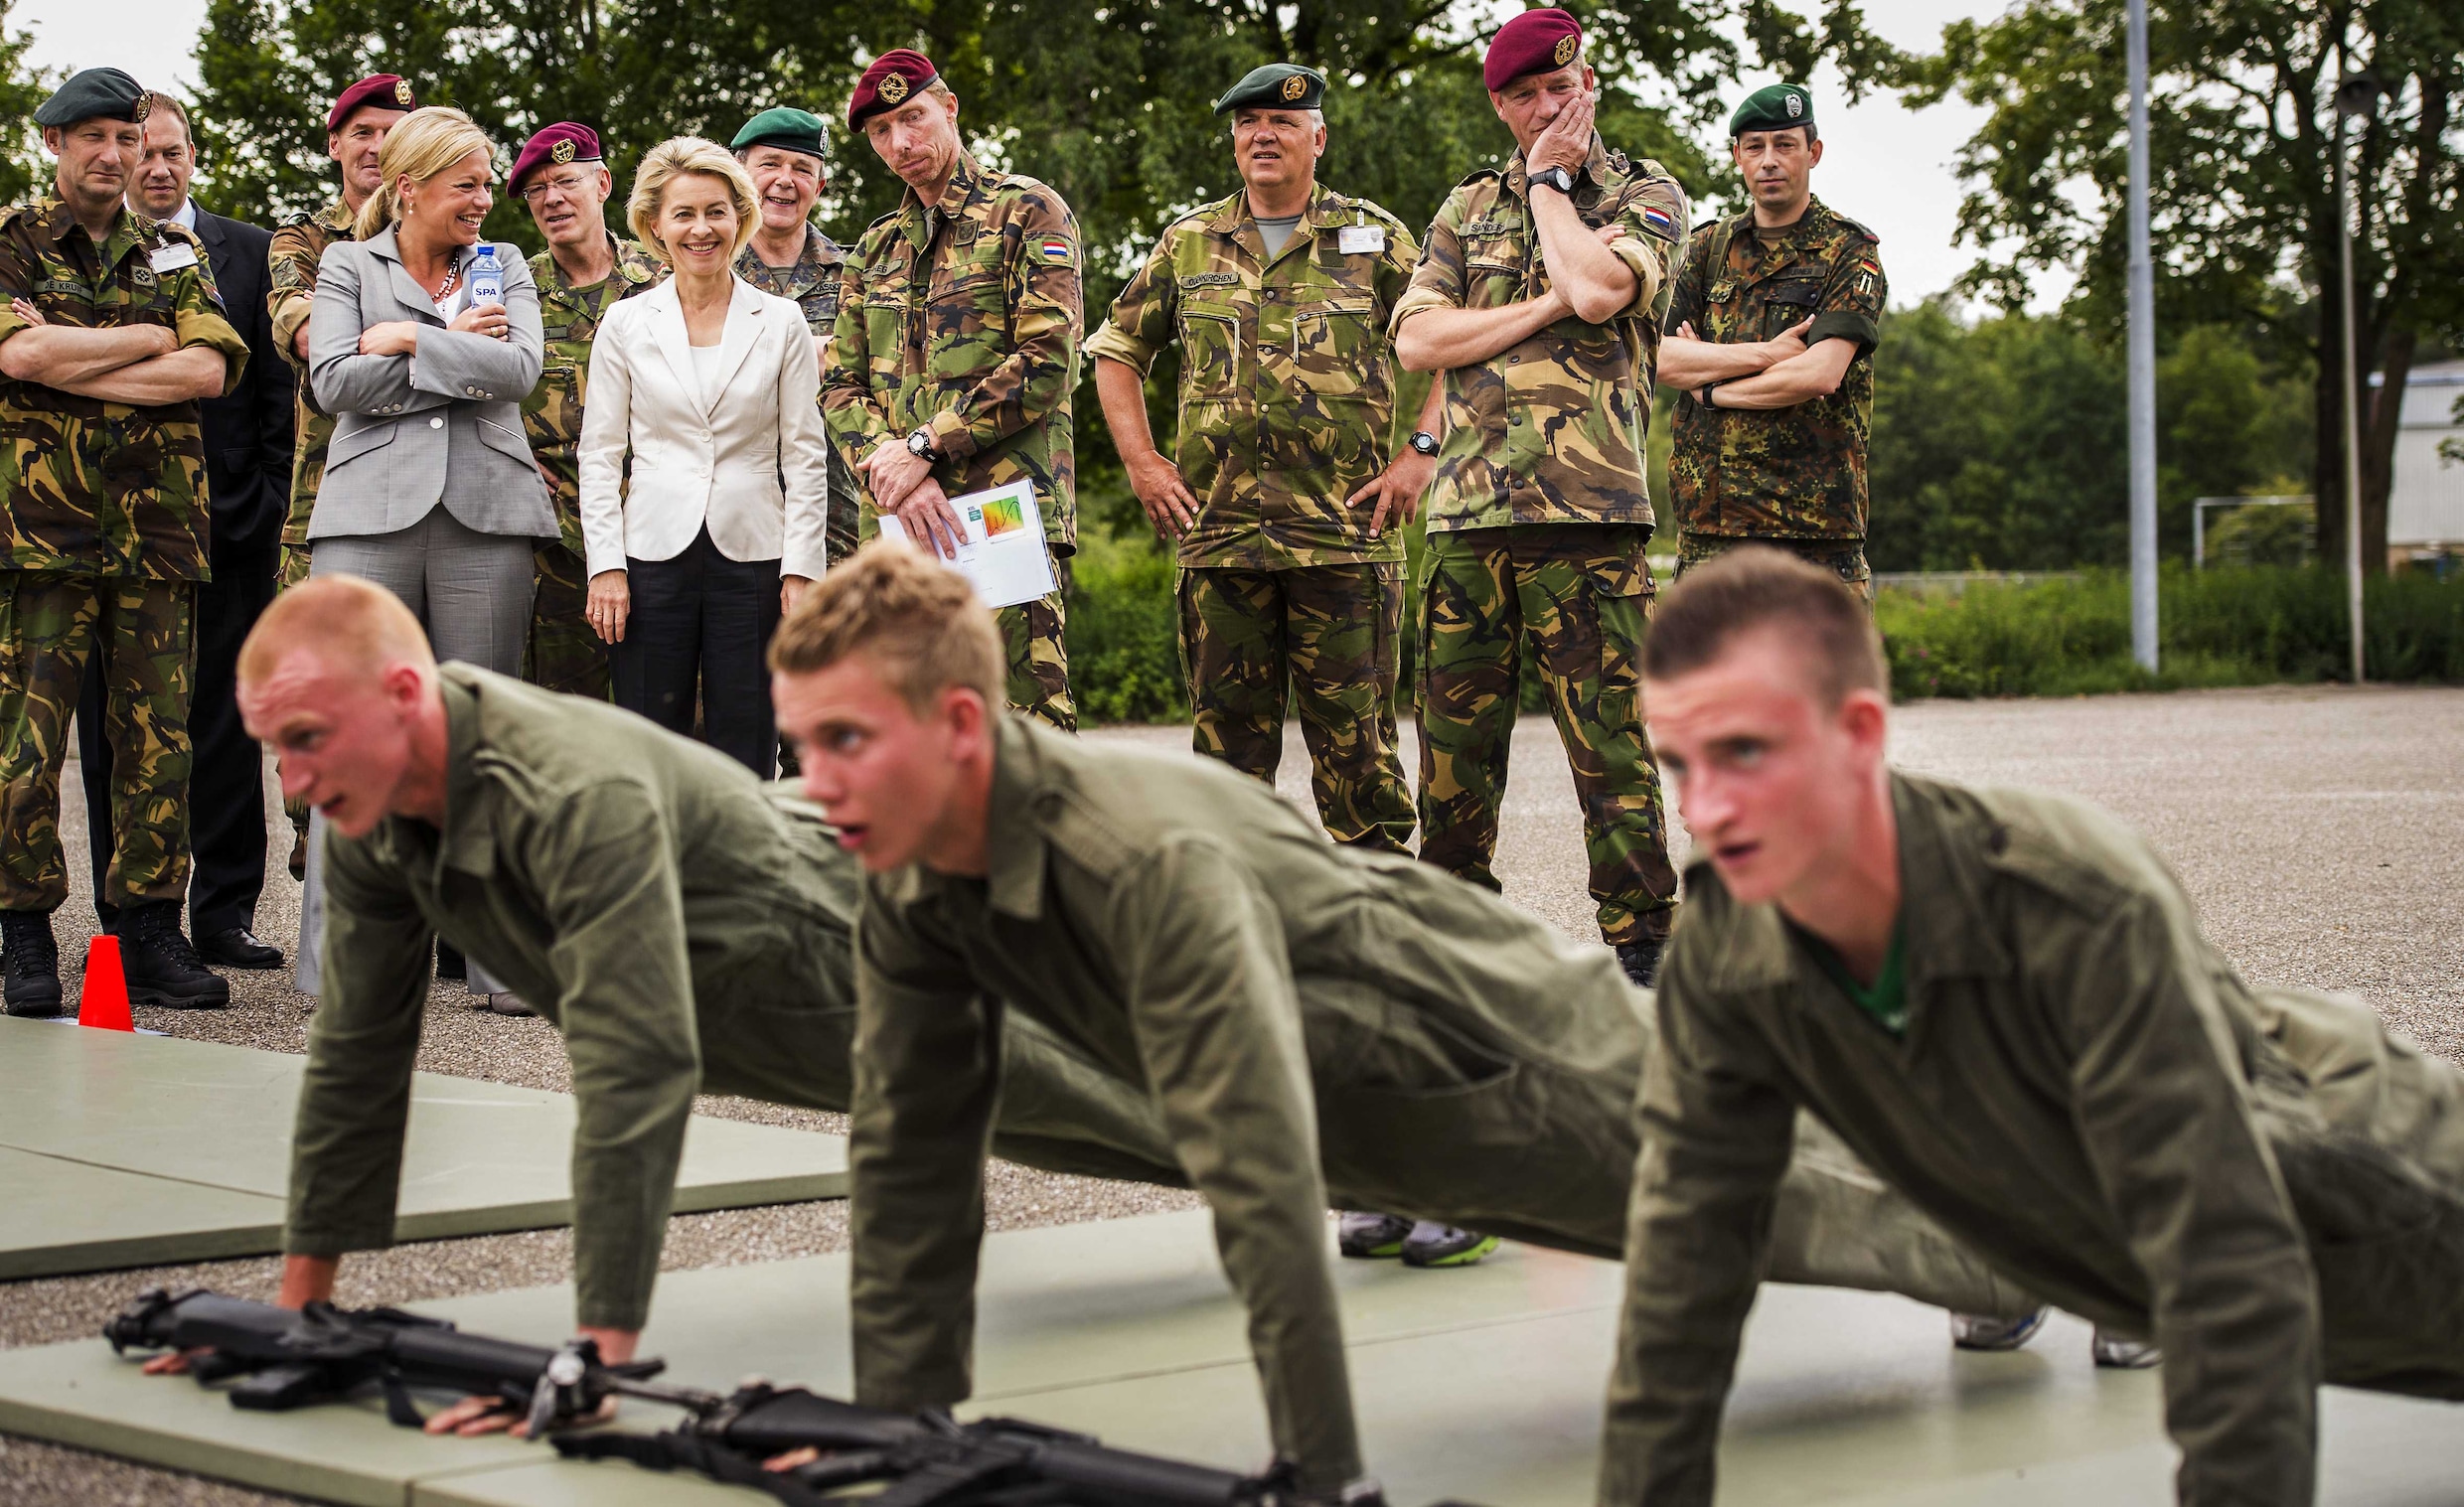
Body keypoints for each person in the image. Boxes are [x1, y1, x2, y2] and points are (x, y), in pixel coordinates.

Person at [219, 566, 2037, 1441]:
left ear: (401, 688)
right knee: (1350, 1148)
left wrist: (596, 1351)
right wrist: (306, 1295)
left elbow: (639, 1063)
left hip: (1405, 999)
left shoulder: (578, 785)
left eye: (307, 739)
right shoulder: (377, 813)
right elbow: (355, 1052)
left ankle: (2017, 1225)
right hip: (987, 980)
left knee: (1616, 1163)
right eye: (273, 756)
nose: (293, 783)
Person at [768, 544, 2042, 1505]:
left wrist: (1313, 1470)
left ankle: (2085, 1239)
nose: (814, 784)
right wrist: (901, 1424)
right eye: (800, 744)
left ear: (954, 724)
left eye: (843, 739)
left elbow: (1256, 1172)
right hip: (1367, 1089)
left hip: (1476, 1034)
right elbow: (910, 1149)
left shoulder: (1137, 855)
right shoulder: (915, 870)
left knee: (1753, 1186)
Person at [1601, 547, 2464, 1507]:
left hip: (2381, 1173)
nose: (1703, 810)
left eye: (1744, 752)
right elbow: (1688, 1254)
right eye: (1676, 761)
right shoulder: (1728, 936)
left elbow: (2230, 1270)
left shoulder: (2070, 896)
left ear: (1858, 732)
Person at [1088, 62, 1484, 1271]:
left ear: (1318, 135)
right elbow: (1111, 351)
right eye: (1246, 121)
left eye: (1281, 121)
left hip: (1342, 540)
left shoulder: (1378, 235)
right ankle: (1255, 1000)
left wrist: (1422, 446)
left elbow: (1438, 342)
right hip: (1216, 543)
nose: (1262, 137)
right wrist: (1145, 463)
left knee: (1363, 773)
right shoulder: (1185, 241)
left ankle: (1383, 991)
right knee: (1223, 780)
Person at [1389, 9, 1687, 989]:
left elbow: (1603, 292)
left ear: (1586, 83)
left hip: (1589, 514)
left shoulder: (1643, 191)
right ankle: (1453, 946)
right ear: (1498, 105)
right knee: (1451, 752)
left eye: (1559, 90)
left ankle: (1642, 949)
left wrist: (1553, 188)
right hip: (1469, 515)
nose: (1545, 110)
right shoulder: (1464, 207)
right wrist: (1548, 299)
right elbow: (1417, 343)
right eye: (1524, 98)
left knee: (1609, 745)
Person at [0, 69, 247, 1014]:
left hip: (156, 531)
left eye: (128, 139)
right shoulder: (13, 239)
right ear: (55, 143)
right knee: (27, 743)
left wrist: (69, 354)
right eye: (93, 137)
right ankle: (23, 935)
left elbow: (211, 369)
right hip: (42, 531)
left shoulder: (177, 250)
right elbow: (14, 355)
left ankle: (147, 929)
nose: (114, 155)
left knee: (159, 741)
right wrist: (147, 343)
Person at [300, 103, 556, 1015]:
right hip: (365, 516)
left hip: (488, 516)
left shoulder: (511, 264)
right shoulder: (344, 263)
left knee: (478, 742)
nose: (488, 199)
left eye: (488, 182)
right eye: (470, 184)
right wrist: (459, 354)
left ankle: (498, 962)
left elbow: (521, 371)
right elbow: (332, 382)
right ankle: (343, 966)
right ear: (408, 189)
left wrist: (408, 339)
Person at [68, 90, 294, 971]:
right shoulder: (84, 254)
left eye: (170, 151)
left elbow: (275, 399)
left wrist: (263, 505)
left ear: (194, 154)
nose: (155, 168)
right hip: (110, 532)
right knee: (116, 731)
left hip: (230, 529)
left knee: (224, 726)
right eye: (140, 152)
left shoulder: (252, 250)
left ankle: (225, 912)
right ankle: (121, 913)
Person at [823, 49, 1081, 730]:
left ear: (950, 107)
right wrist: (898, 472)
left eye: (913, 118)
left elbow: (1049, 359)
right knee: (908, 727)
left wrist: (925, 447)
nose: (901, 143)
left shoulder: (1027, 212)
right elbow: (839, 385)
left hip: (1004, 513)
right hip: (903, 526)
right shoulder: (874, 251)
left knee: (1024, 726)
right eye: (881, 132)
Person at [576, 136, 829, 778]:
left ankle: (738, 877)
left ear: (739, 217)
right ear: (654, 225)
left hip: (754, 559)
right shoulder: (626, 323)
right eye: (683, 213)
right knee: (648, 742)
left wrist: (802, 570)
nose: (701, 228)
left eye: (716, 211)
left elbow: (803, 456)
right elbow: (601, 455)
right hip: (648, 558)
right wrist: (606, 565)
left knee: (745, 741)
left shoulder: (781, 321)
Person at [265, 73, 416, 879]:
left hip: (437, 495)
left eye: (397, 132)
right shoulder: (305, 240)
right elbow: (304, 335)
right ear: (336, 144)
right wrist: (409, 338)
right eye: (364, 131)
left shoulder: (448, 230)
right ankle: (324, 862)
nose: (380, 146)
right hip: (331, 492)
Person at [1657, 85, 1887, 595]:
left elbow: (1819, 373)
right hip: (1710, 535)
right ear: (1737, 156)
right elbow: (1658, 360)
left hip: (1814, 538)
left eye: (1784, 145)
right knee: (1707, 679)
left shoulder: (1848, 252)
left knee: (1825, 680)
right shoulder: (1705, 250)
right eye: (1755, 147)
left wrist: (1713, 387)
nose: (1769, 161)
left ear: (1814, 152)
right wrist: (1767, 355)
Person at [511, 122, 663, 703]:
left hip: (660, 530)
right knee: (562, 723)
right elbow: (475, 394)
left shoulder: (667, 280)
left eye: (566, 182)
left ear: (602, 184)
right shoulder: (507, 291)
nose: (553, 199)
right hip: (556, 546)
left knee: (677, 720)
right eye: (537, 190)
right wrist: (512, 456)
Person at [730, 105, 864, 571]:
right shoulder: (699, 276)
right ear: (738, 175)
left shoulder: (859, 277)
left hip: (839, 524)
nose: (786, 180)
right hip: (727, 525)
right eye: (770, 164)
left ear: (819, 187)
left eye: (802, 169)